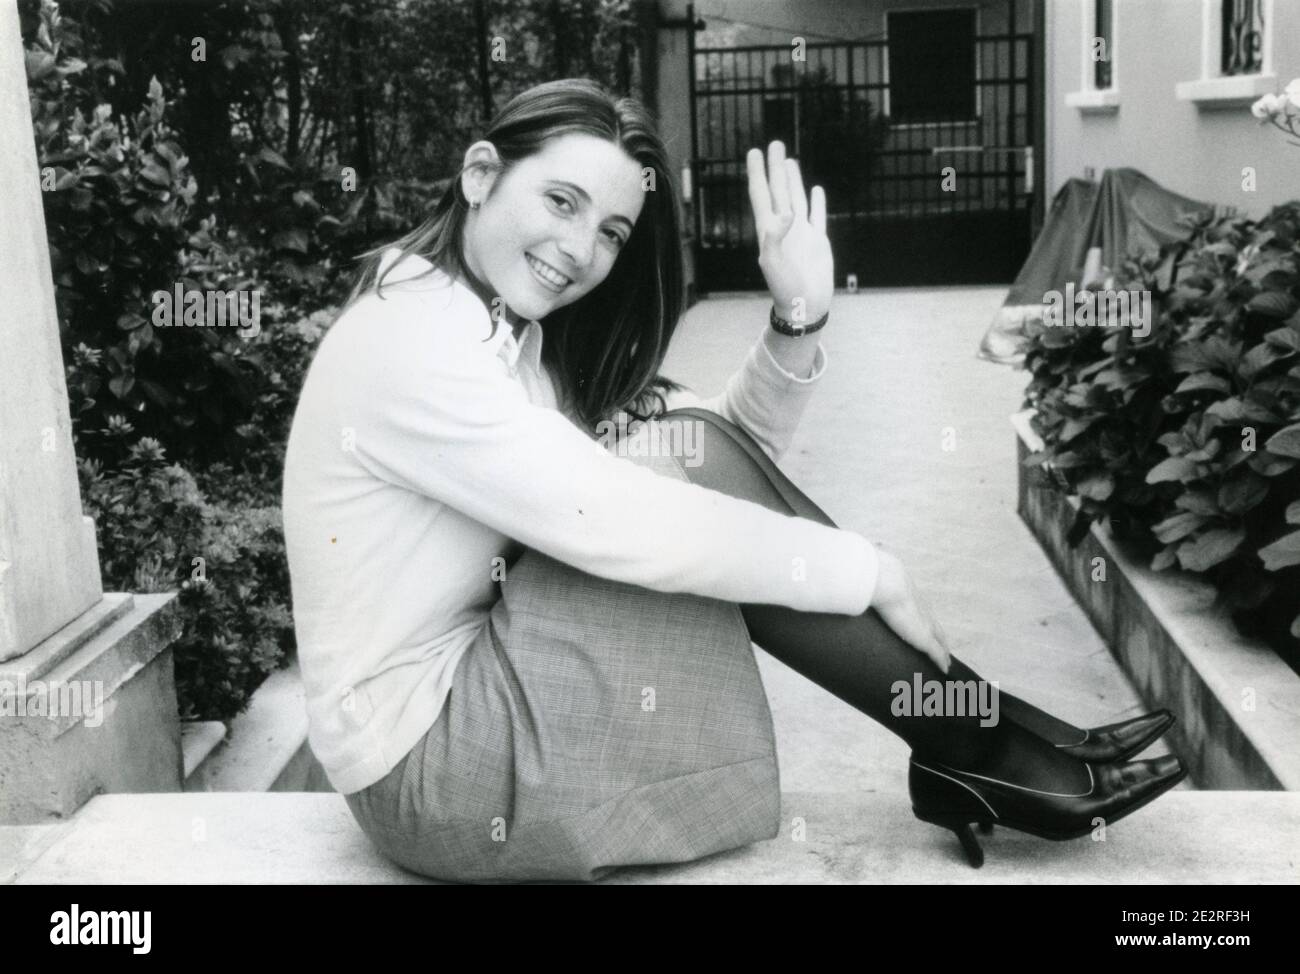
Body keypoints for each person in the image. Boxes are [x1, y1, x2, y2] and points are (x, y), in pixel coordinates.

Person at [282, 78, 1185, 882]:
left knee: (678, 445)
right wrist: (865, 565)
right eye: (558, 201)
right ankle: (976, 738)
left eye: (608, 231)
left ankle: (981, 732)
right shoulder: (412, 345)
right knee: (674, 479)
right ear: (481, 175)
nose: (577, 249)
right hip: (434, 773)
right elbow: (615, 519)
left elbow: (707, 462)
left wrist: (799, 318)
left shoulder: (491, 325)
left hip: (464, 707)